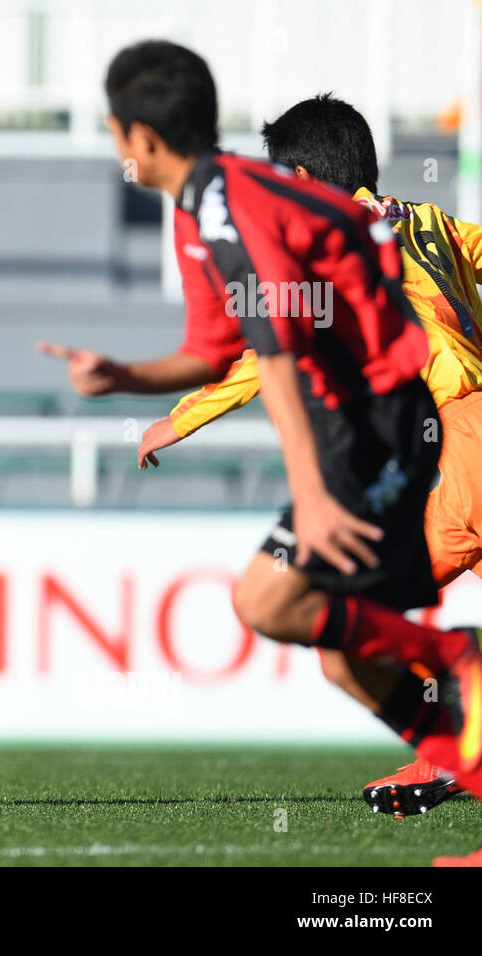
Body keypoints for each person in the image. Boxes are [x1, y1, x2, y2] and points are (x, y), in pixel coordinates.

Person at [40, 40, 482, 863]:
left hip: (439, 433)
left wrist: (200, 425)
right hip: (449, 427)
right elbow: (239, 345)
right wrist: (145, 387)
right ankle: (453, 725)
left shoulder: (251, 217)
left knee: (328, 622)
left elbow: (270, 351)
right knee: (325, 633)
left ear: (135, 136)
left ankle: (455, 700)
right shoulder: (413, 220)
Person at [134, 94, 482, 823]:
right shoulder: (428, 221)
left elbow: (272, 351)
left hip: (453, 445)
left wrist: (178, 418)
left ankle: (457, 732)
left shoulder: (328, 239)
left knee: (329, 609)